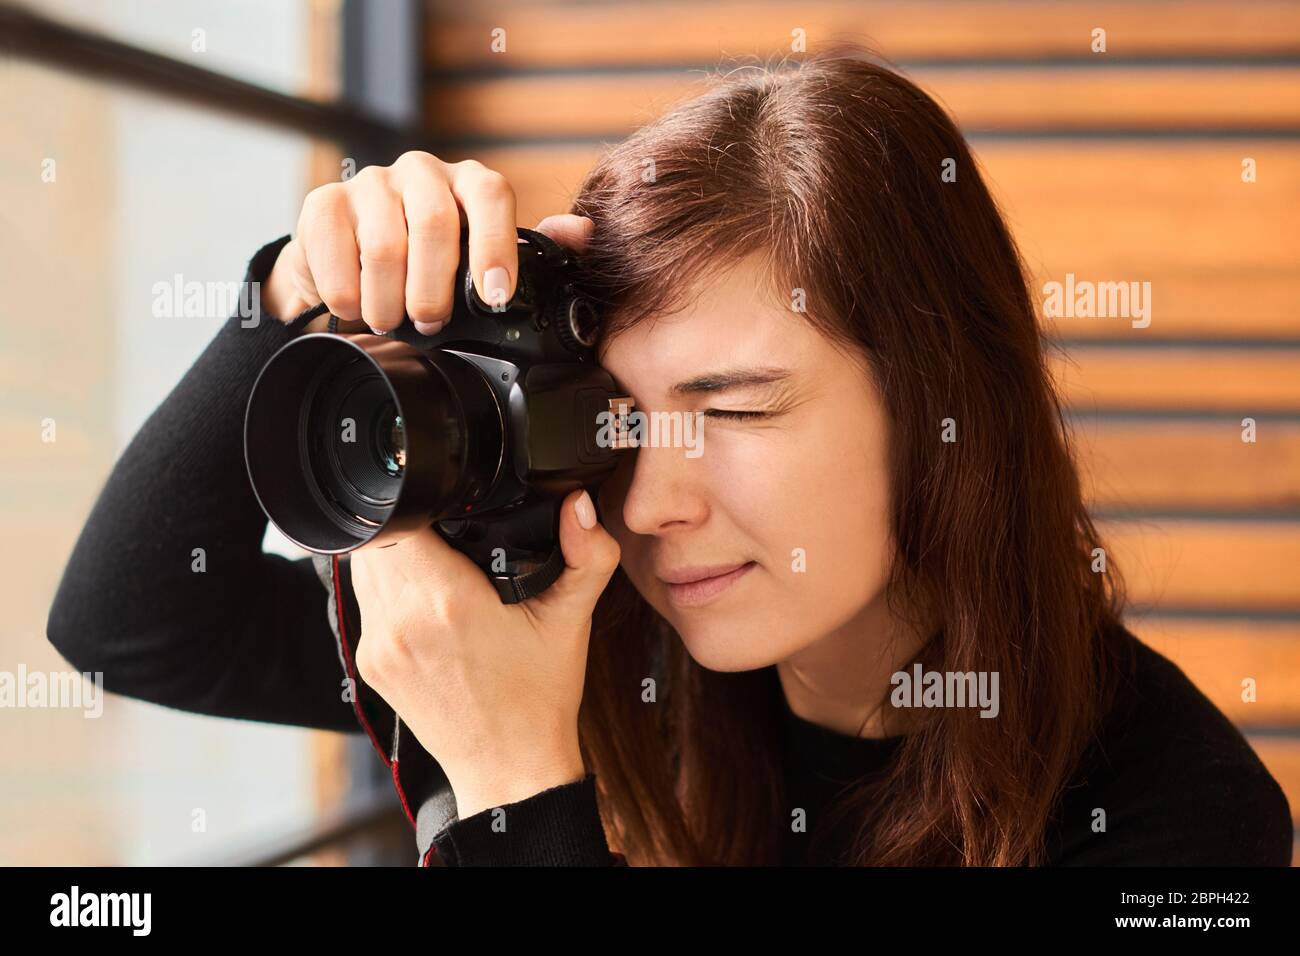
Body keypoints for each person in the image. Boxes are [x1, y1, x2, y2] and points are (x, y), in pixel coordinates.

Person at [47, 47, 1293, 866]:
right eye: (619, 415)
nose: (650, 498)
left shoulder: (1179, 823)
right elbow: (135, 623)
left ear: (941, 405)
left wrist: (517, 787)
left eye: (736, 409)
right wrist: (288, 290)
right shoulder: (587, 641)